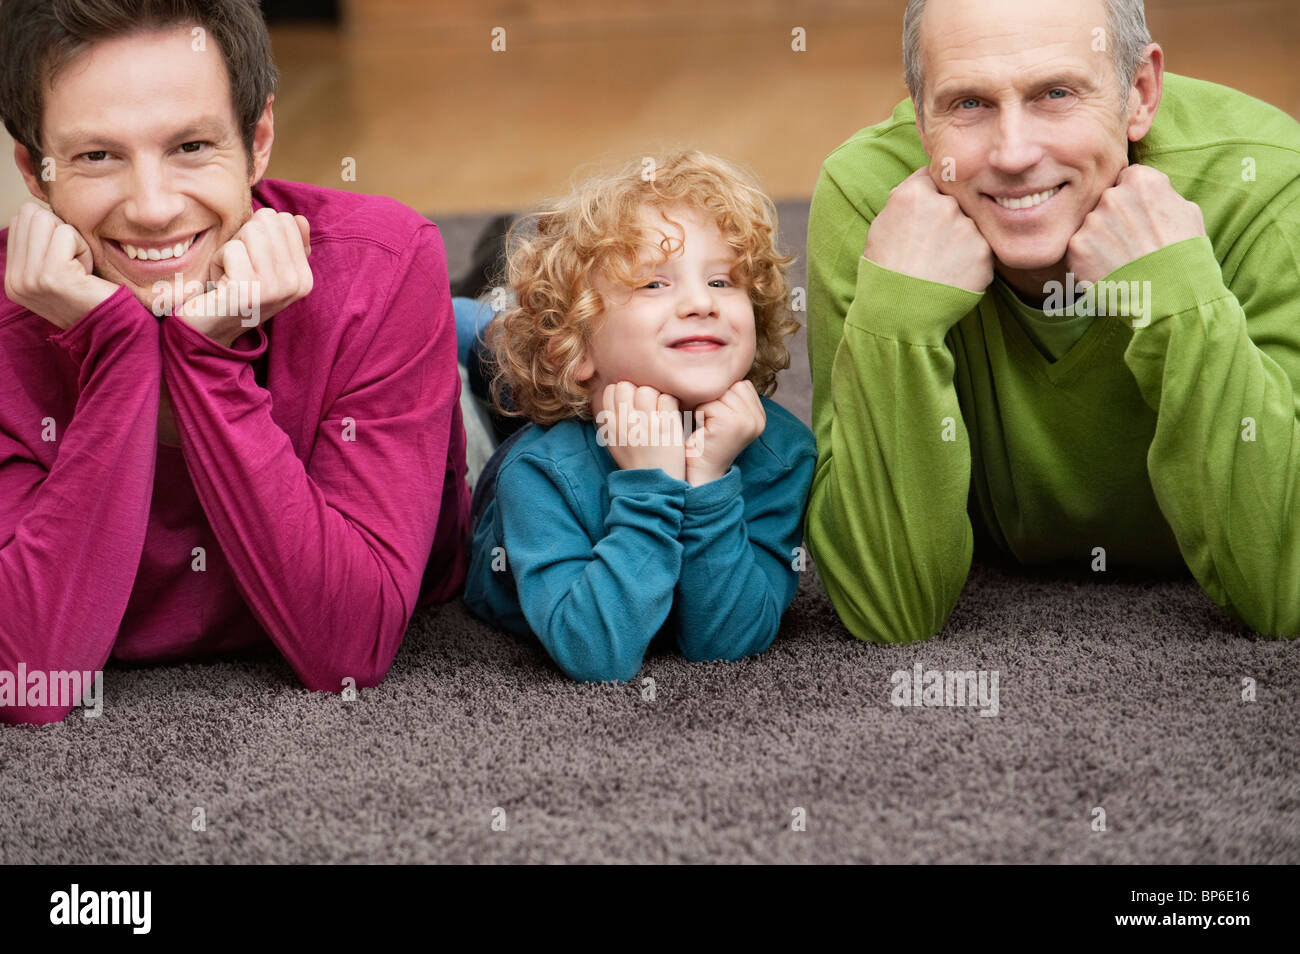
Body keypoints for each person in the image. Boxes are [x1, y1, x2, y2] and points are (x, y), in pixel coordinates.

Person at [0, 0, 470, 723]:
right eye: (98, 157)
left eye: (191, 147)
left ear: (259, 140)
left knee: (542, 367)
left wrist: (206, 361)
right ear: (34, 171)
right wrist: (122, 349)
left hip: (430, 365)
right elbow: (33, 675)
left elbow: (349, 646)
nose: (153, 209)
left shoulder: (385, 263)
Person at [805, 0, 1300, 644]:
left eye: (1055, 94)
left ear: (1140, 93)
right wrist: (898, 319)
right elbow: (889, 608)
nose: (1013, 153)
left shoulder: (1268, 182)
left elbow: (1285, 589)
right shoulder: (870, 198)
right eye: (968, 104)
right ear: (922, 117)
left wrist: (1180, 299)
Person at [463, 150, 816, 682]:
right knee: (486, 354)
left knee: (506, 319)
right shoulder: (537, 474)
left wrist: (708, 486)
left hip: (578, 396)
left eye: (722, 282)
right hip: (511, 447)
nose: (702, 303)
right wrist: (649, 490)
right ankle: (472, 312)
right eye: (654, 283)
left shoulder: (782, 451)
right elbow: (595, 653)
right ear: (578, 349)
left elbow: (727, 640)